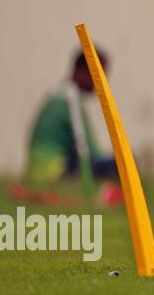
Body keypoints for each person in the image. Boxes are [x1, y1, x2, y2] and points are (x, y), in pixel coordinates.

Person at [20, 50, 120, 204]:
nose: (102, 83)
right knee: (120, 164)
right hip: (55, 171)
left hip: (41, 169)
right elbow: (89, 150)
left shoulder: (60, 94)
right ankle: (111, 195)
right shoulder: (71, 102)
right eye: (99, 76)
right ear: (83, 71)